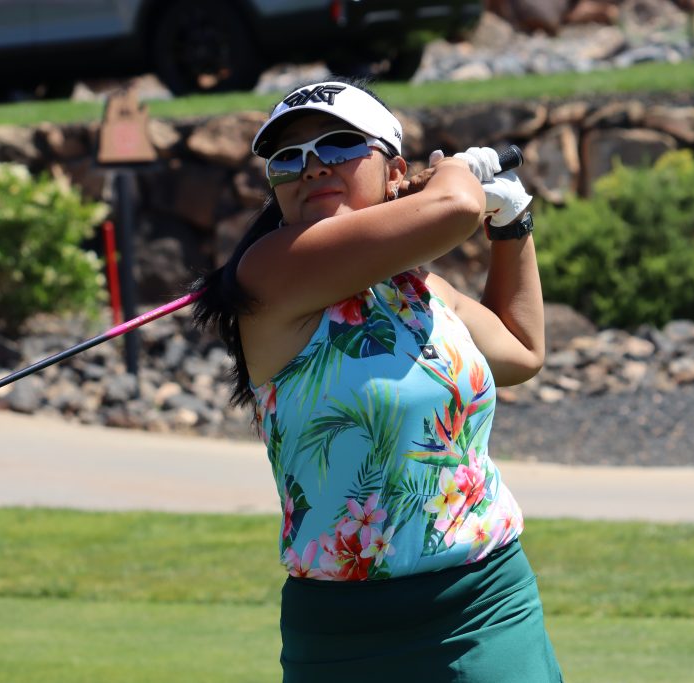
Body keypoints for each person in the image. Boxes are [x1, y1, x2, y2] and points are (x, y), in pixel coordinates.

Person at [193, 77, 562, 682]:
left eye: (339, 146)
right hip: (344, 634)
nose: (313, 166)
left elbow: (521, 351)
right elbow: (455, 208)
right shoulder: (267, 273)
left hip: (485, 606)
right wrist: (458, 173)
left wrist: (513, 222)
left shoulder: (419, 291)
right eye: (288, 158)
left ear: (395, 172)